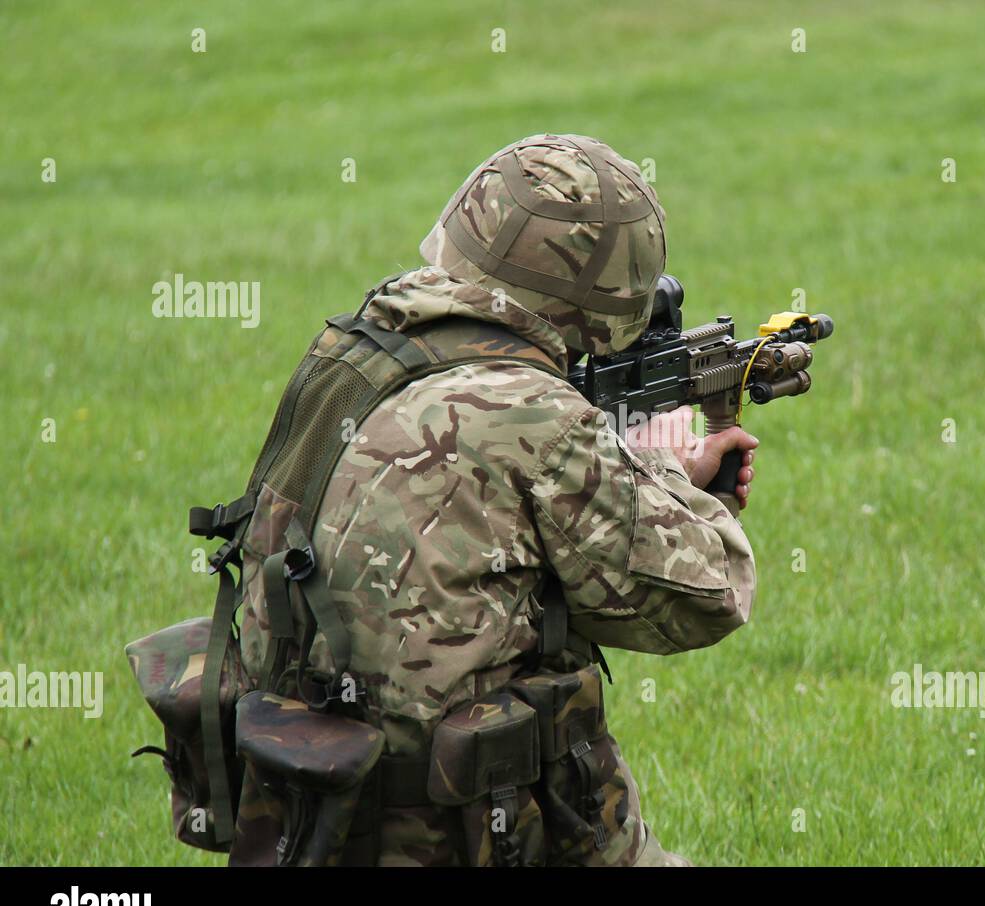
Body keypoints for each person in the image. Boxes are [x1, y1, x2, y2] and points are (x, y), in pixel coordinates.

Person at [234, 133, 758, 865]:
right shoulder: (537, 418)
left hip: (300, 804)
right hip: (462, 827)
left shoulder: (349, 354)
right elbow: (708, 592)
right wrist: (661, 470)